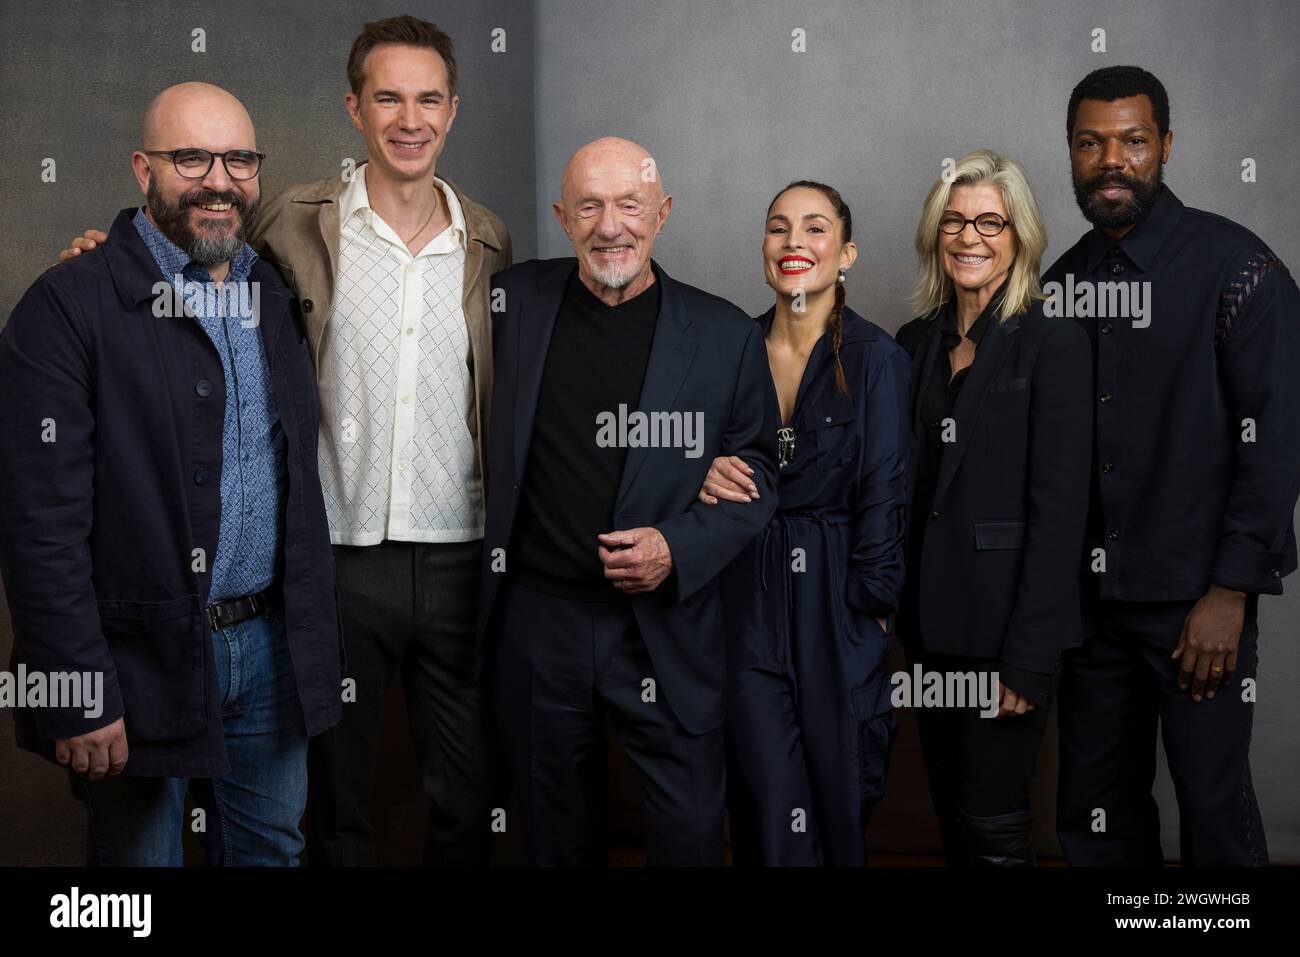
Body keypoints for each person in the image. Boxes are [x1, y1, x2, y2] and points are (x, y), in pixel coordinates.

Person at [60, 16, 513, 867]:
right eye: (387, 97)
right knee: (329, 802)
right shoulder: (292, 222)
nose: (408, 119)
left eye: (427, 99)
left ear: (452, 111)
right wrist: (105, 259)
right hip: (332, 556)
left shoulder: (490, 240)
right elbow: (188, 252)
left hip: (459, 553)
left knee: (461, 790)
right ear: (355, 108)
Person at [0, 82, 341, 865]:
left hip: (271, 651)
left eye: (238, 159)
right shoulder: (68, 306)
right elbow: (38, 526)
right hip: (138, 659)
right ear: (141, 169)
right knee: (136, 874)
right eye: (190, 157)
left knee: (270, 854)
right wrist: (78, 687)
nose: (219, 180)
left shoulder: (272, 294)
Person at [479, 137, 780, 865]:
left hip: (666, 626)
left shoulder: (723, 334)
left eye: (629, 205)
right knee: (555, 836)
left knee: (691, 839)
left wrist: (678, 545)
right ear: (562, 215)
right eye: (589, 205)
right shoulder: (513, 301)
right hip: (540, 622)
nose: (609, 225)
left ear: (663, 212)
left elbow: (761, 475)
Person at [1047, 66, 1300, 867]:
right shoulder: (1060, 286)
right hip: (1089, 614)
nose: (1111, 159)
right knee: (1096, 815)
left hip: (1198, 606)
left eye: (1132, 140)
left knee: (1212, 807)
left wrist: (1230, 592)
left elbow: (1276, 443)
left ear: (1165, 147)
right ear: (1072, 153)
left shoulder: (1240, 270)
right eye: (1091, 143)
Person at [699, 181, 909, 866]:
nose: (795, 243)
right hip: (744, 589)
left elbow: (885, 488)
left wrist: (870, 614)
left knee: (842, 795)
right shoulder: (730, 350)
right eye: (778, 228)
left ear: (845, 252)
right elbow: (675, 460)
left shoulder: (877, 357)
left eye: (815, 229)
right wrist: (697, 472)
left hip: (839, 595)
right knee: (766, 801)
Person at [894, 149, 1092, 865]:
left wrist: (1029, 659)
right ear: (933, 232)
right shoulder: (914, 343)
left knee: (992, 816)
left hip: (1006, 635)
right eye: (954, 221)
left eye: (989, 222)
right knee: (952, 804)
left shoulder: (1053, 342)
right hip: (928, 628)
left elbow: (1060, 514)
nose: (969, 237)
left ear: (1019, 237)